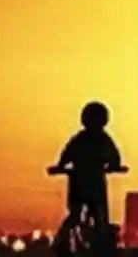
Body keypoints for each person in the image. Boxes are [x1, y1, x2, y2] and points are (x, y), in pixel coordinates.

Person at [48, 102, 125, 253]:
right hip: (87, 181)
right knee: (81, 213)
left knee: (94, 214)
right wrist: (61, 166)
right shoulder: (91, 139)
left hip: (87, 181)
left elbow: (114, 156)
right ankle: (63, 241)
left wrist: (61, 166)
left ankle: (93, 240)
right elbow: (67, 154)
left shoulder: (90, 139)